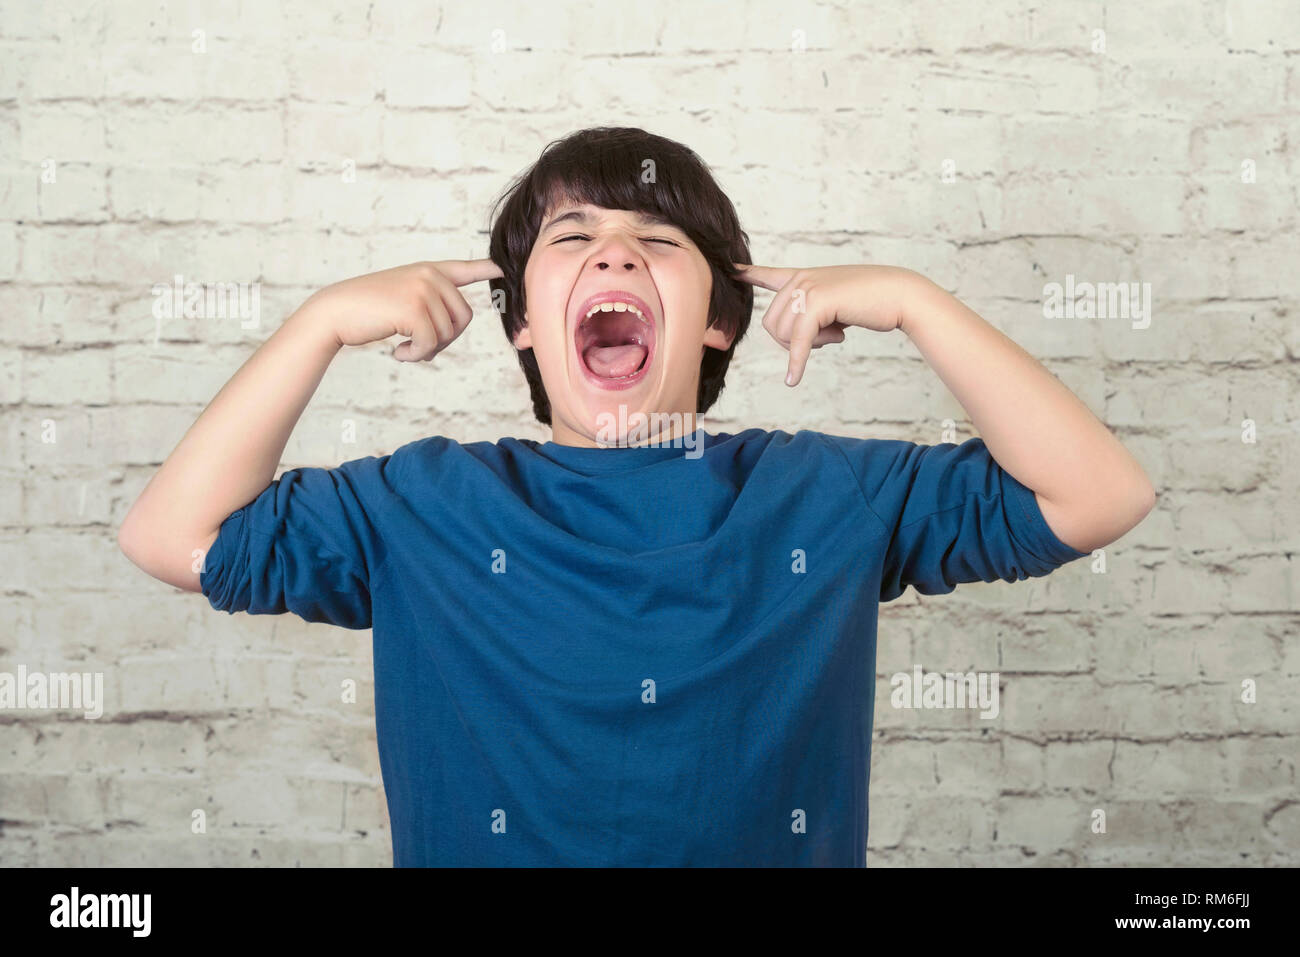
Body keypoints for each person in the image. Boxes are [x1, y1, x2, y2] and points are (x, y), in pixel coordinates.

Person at [118, 127, 1155, 866]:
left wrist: (916, 303)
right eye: (570, 240)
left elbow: (1098, 494)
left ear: (720, 321)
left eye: (660, 243)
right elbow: (174, 536)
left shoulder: (824, 493)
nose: (614, 249)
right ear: (521, 322)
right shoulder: (420, 504)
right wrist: (317, 324)